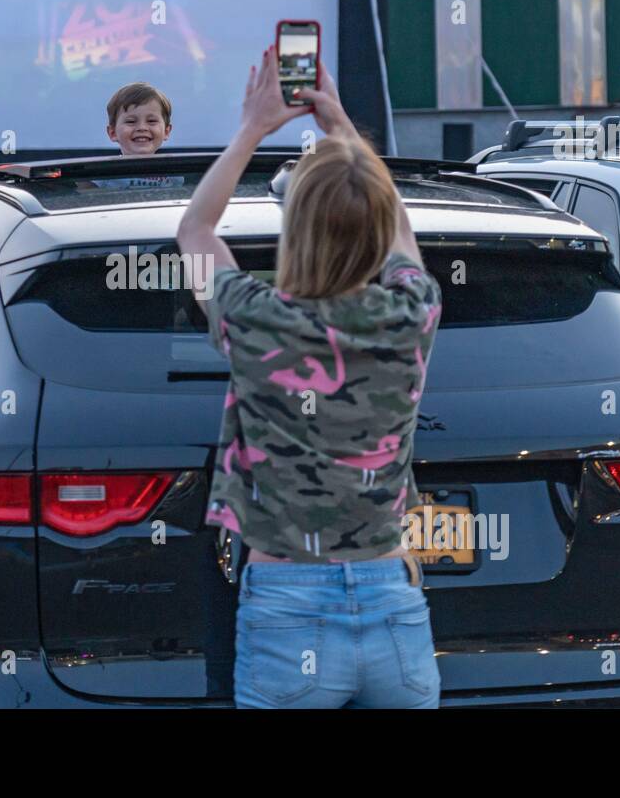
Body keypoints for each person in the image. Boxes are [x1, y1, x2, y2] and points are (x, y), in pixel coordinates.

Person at [176, 47, 443, 709]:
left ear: (292, 229)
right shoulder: (413, 312)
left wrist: (253, 128)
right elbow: (399, 231)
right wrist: (342, 129)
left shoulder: (250, 317)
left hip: (288, 611)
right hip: (395, 610)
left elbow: (195, 228)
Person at [106, 82, 172, 155]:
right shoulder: (99, 166)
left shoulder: (179, 166)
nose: (142, 127)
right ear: (113, 132)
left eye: (151, 121)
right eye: (131, 121)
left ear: (166, 131)